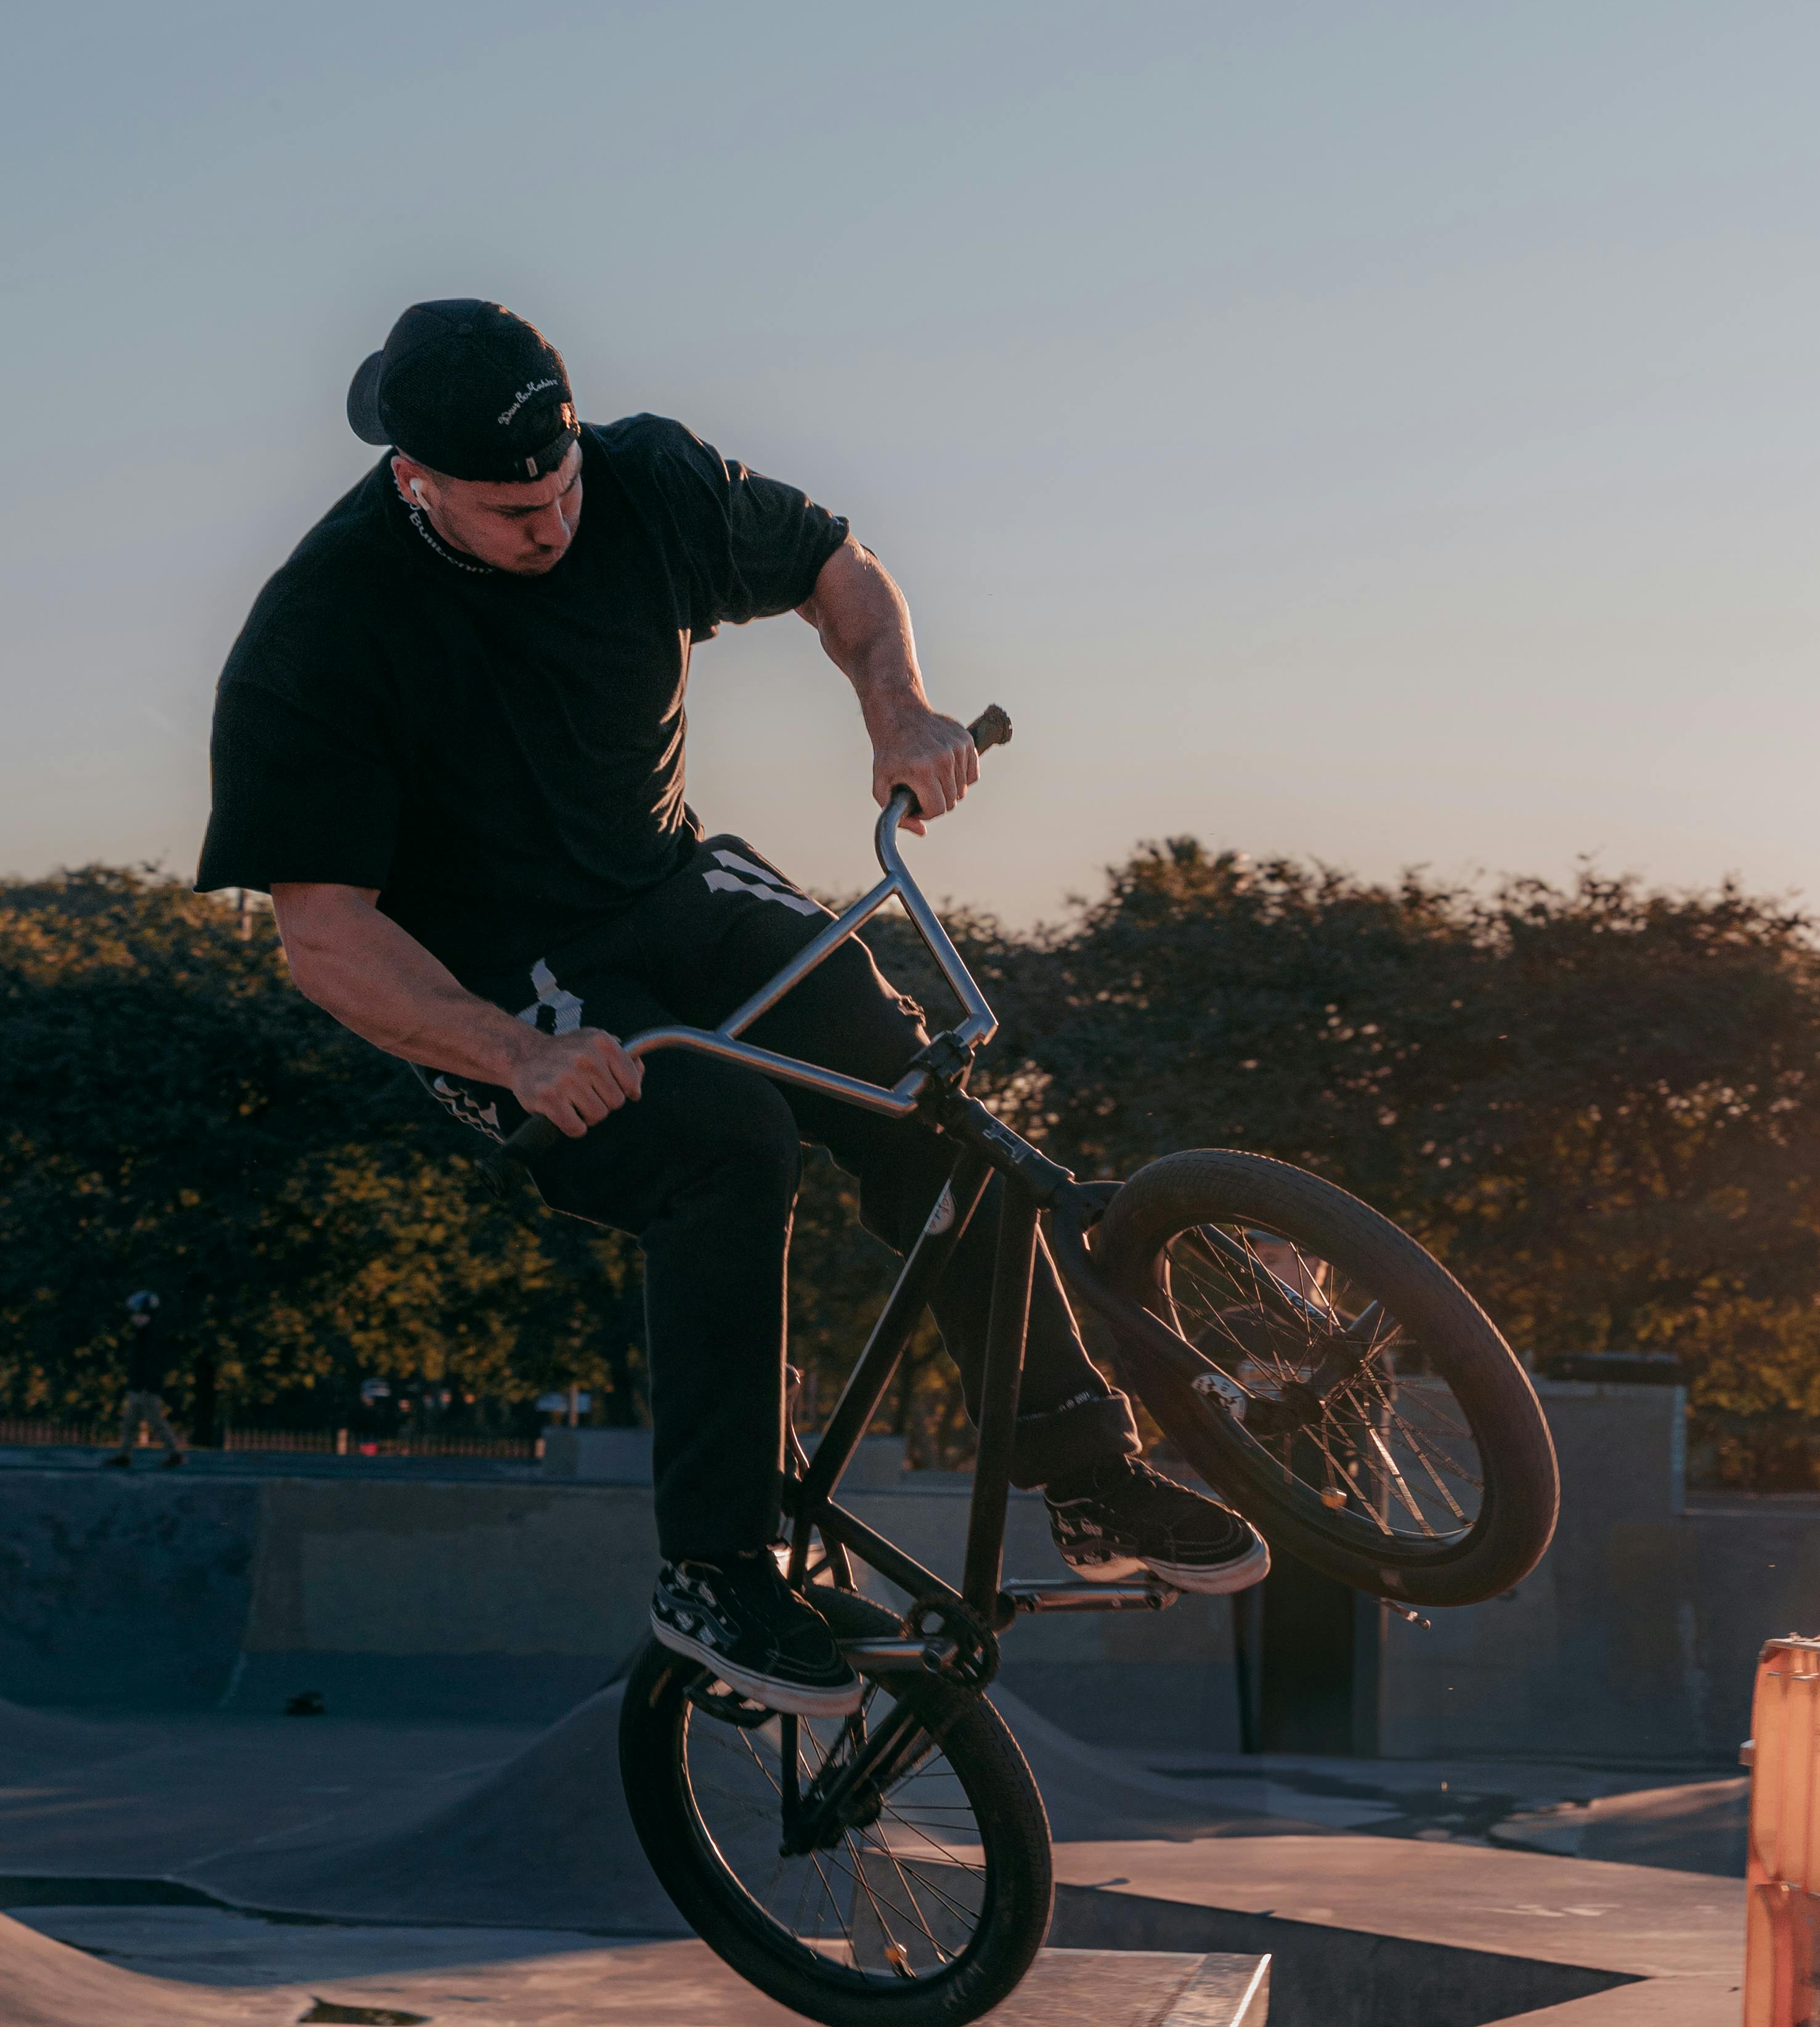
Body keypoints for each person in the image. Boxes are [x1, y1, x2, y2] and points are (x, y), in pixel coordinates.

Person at [194, 301, 1267, 1715]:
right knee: (724, 1145)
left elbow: (838, 568)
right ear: (417, 484)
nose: (555, 524)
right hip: (502, 978)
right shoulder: (324, 632)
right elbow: (326, 935)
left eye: (565, 482)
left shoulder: (643, 483)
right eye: (516, 511)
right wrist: (515, 1053)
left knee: (921, 1095)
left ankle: (1085, 1474)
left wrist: (898, 707)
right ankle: (717, 1563)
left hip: (672, 886)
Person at [104, 1291, 187, 1469]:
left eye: (140, 1315)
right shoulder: (141, 1336)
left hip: (147, 1389)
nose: (136, 1319)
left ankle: (174, 1454)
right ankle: (125, 1455)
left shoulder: (152, 1338)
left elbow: (153, 1365)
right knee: (130, 1423)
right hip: (139, 1386)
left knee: (155, 1421)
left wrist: (149, 1386)